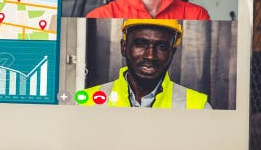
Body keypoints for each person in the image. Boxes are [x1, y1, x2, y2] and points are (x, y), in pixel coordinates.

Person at [82, 19, 211, 109]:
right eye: (140, 44)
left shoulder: (198, 105)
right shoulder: (88, 101)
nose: (150, 56)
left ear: (172, 52)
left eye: (161, 46)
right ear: (124, 47)